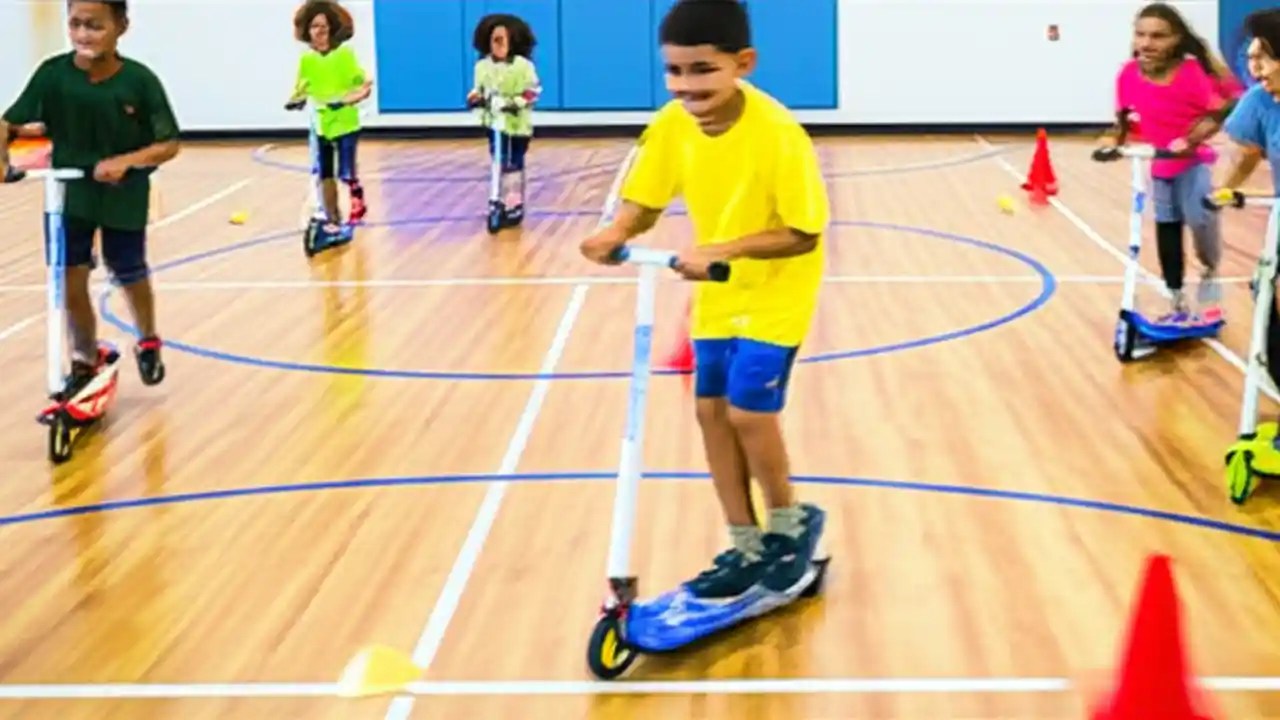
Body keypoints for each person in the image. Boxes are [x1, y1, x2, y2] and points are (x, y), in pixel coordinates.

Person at [580, 0, 827, 601]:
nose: (686, 86)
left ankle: (789, 526)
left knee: (747, 412)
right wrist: (617, 231)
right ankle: (744, 540)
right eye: (674, 71)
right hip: (716, 290)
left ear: (743, 63)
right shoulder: (671, 125)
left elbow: (803, 232)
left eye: (702, 70)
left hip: (777, 291)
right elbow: (645, 198)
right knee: (709, 411)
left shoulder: (778, 133)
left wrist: (725, 248)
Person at [0, 0, 180, 395]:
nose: (83, 34)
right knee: (69, 276)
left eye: (95, 26)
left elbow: (168, 143)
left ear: (121, 26)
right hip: (69, 191)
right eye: (76, 24)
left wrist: (126, 161)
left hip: (122, 191)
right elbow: (9, 121)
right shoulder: (52, 75)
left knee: (127, 266)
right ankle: (84, 358)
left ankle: (148, 338)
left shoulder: (139, 81)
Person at [1097, 2, 1243, 324]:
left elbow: (1230, 104)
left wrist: (1193, 138)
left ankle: (1209, 276)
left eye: (1158, 36)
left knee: (1200, 219)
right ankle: (1176, 298)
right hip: (1160, 165)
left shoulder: (1193, 73)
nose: (1147, 43)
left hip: (1194, 163)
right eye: (1141, 35)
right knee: (1166, 229)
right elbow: (1121, 123)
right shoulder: (1128, 75)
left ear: (1177, 39)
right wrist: (1110, 144)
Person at [1218, 8, 1280, 442]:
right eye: (1251, 56)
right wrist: (1226, 189)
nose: (1254, 67)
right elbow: (1247, 153)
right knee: (1269, 312)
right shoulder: (1259, 102)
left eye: (1266, 56)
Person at [286, 0, 372, 232]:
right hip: (322, 123)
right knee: (325, 173)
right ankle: (332, 217)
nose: (320, 32)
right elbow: (301, 89)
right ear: (307, 31)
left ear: (333, 29)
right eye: (314, 27)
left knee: (346, 171)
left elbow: (363, 84)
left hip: (345, 122)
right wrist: (296, 100)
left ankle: (356, 197)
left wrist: (352, 97)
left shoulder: (344, 55)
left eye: (324, 27)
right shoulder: (307, 60)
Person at [466, 13, 541, 229]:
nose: (498, 45)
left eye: (503, 39)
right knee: (499, 160)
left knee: (513, 163)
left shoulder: (523, 66)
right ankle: (496, 198)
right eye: (494, 40)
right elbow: (477, 89)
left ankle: (513, 203)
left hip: (517, 124)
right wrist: (475, 98)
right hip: (494, 123)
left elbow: (532, 91)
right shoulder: (482, 66)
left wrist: (513, 103)